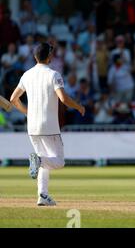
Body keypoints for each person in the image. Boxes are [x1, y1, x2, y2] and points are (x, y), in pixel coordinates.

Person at [9, 43, 85, 206]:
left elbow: (13, 99)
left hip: (32, 126)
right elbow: (63, 99)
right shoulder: (54, 74)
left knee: (45, 161)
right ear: (49, 57)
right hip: (49, 126)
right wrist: (79, 106)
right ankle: (39, 161)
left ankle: (42, 195)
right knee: (58, 161)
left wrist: (27, 112)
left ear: (35, 57)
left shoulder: (26, 75)